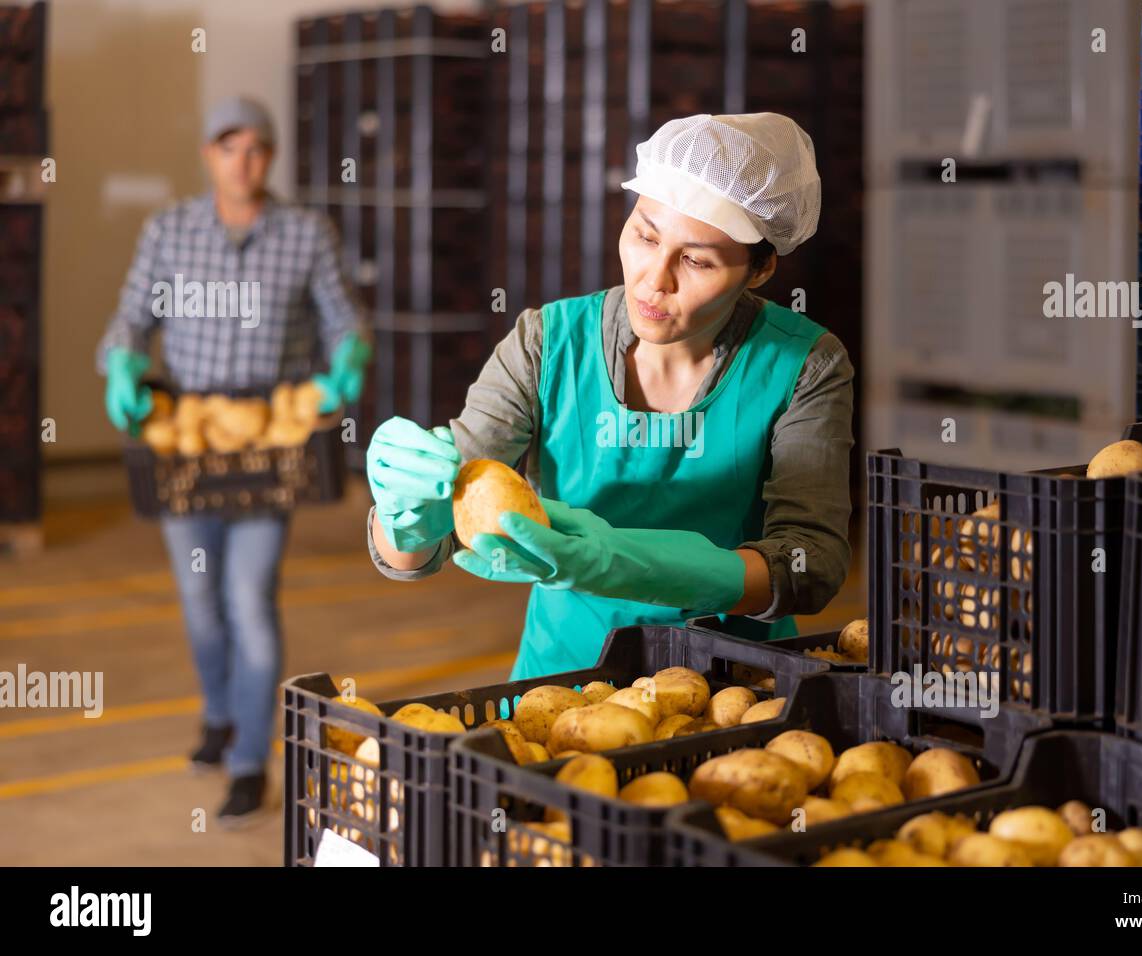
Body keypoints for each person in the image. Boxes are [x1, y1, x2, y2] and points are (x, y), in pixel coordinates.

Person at [366, 112, 852, 679]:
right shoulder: (547, 343)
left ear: (760, 269)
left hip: (736, 688)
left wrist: (627, 565)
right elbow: (428, 545)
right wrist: (407, 517)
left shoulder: (804, 363)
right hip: (564, 682)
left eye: (696, 260)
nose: (655, 279)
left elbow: (810, 563)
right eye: (645, 235)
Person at [96, 96, 371, 824]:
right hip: (185, 444)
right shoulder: (170, 230)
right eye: (228, 147)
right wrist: (122, 363)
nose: (241, 162)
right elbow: (132, 315)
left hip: (266, 447)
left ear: (270, 157)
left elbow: (344, 318)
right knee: (199, 598)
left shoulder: (306, 233)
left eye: (255, 149)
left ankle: (250, 756)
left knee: (248, 599)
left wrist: (349, 358)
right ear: (207, 154)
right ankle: (218, 714)